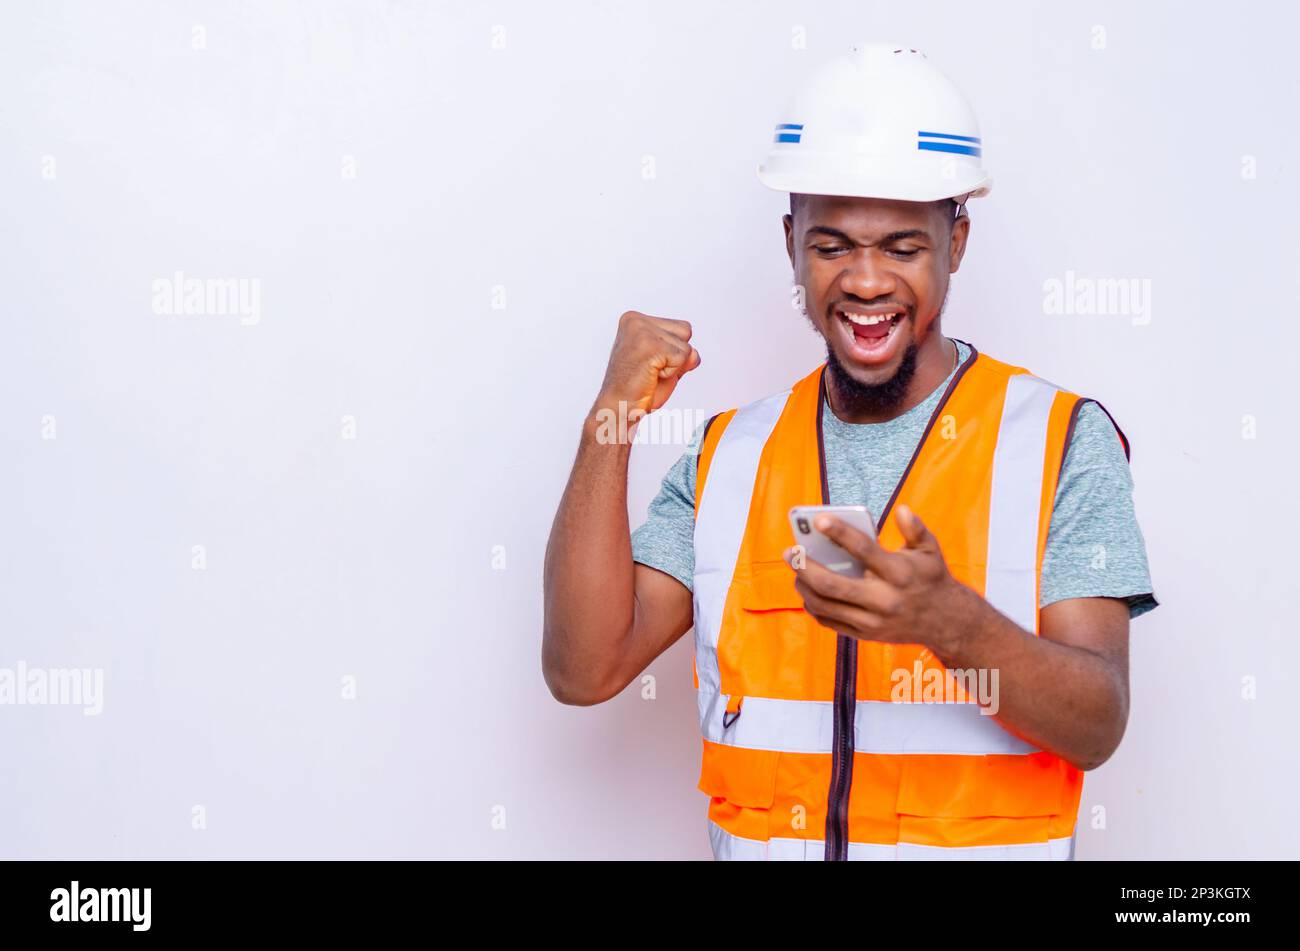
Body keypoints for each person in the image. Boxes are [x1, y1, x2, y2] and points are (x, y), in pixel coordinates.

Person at [542, 43, 1157, 861]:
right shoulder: (730, 456)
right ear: (791, 242)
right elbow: (583, 669)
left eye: (903, 247)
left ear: (957, 241)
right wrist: (609, 419)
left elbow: (1098, 721)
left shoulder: (1056, 440)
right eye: (832, 245)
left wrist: (954, 626)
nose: (866, 281)